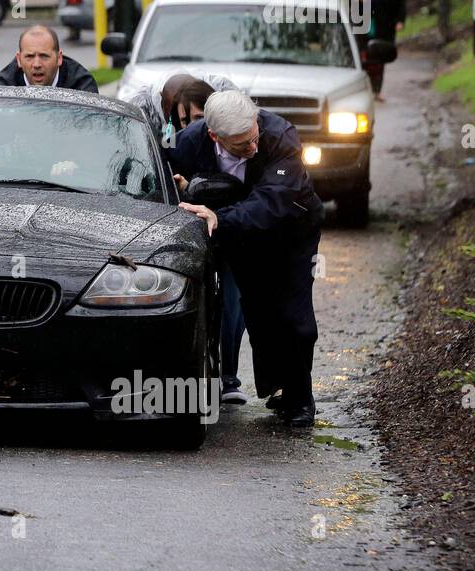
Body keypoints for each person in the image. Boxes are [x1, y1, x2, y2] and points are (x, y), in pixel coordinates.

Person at [169, 90, 324, 427]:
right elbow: (158, 179)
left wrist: (220, 218)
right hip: (230, 235)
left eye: (254, 138)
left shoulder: (281, 136)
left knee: (296, 317)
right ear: (214, 136)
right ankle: (274, 385)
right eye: (241, 145)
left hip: (290, 232)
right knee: (257, 310)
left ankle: (300, 398)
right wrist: (179, 189)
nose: (252, 149)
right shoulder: (187, 143)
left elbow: (271, 202)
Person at [120, 72, 250, 404]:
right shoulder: (157, 132)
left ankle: (230, 375)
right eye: (181, 120)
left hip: (228, 221)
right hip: (182, 224)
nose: (189, 128)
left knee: (235, 297)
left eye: (196, 120)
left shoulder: (230, 127)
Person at [0, 24, 99, 92]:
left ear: (59, 58)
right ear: (18, 59)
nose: (37, 64)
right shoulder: (2, 89)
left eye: (44, 56)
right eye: (29, 56)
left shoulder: (81, 85)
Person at [363, 0, 405, 101]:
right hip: (366, 28)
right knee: (365, 60)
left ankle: (376, 90)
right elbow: (354, 6)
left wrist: (400, 21)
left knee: (380, 61)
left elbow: (400, 5)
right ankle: (366, 89)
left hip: (385, 30)